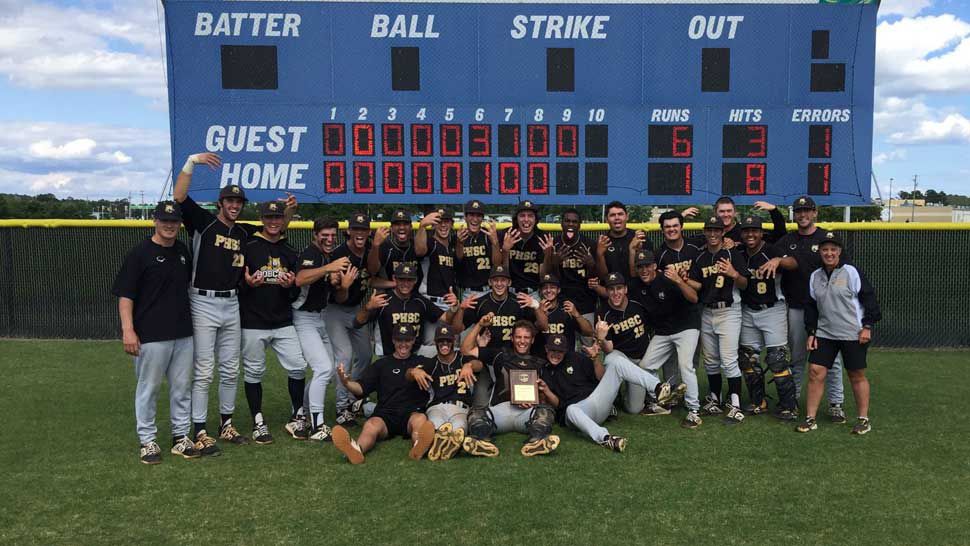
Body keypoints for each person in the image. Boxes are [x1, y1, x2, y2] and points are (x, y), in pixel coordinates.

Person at [173, 152, 296, 454]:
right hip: (202, 301)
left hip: (232, 303)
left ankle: (225, 423)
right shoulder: (203, 222)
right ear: (220, 203)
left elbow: (276, 231)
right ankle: (199, 429)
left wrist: (289, 211)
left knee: (230, 369)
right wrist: (191, 162)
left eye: (238, 202)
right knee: (204, 370)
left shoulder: (243, 233)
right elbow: (178, 196)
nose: (233, 205)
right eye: (229, 201)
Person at [113, 201, 200, 463]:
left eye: (174, 221)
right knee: (148, 388)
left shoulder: (183, 251)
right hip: (151, 334)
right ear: (155, 220)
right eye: (165, 220)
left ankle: (180, 437)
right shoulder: (140, 253)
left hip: (183, 333)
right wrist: (128, 330)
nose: (170, 225)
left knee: (182, 388)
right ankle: (148, 440)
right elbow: (125, 295)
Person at [761, 196, 847, 423]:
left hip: (827, 310)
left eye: (807, 210)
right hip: (797, 307)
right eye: (799, 211)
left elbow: (842, 272)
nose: (803, 215)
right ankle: (792, 401)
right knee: (797, 357)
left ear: (815, 212)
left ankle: (836, 404)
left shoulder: (826, 238)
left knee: (832, 360)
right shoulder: (787, 240)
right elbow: (766, 250)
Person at [239, 202, 309, 444]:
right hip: (253, 321)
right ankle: (258, 420)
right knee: (254, 371)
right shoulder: (248, 246)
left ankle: (297, 414)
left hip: (282, 320)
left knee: (298, 366)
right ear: (261, 218)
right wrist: (247, 284)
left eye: (277, 217)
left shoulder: (289, 250)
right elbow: (237, 283)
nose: (273, 221)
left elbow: (294, 293)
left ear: (283, 219)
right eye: (269, 216)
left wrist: (290, 286)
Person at [797, 235, 881, 435]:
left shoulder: (851, 271)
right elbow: (810, 307)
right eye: (825, 249)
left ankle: (863, 419)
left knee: (856, 374)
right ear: (820, 252)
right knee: (815, 371)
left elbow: (869, 298)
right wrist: (811, 332)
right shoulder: (815, 275)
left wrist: (867, 326)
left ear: (839, 251)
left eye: (833, 249)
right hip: (825, 332)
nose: (829, 253)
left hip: (852, 332)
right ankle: (810, 418)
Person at [543, 334, 673, 452]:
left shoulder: (576, 358)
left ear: (565, 351)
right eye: (553, 350)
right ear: (546, 349)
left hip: (596, 401)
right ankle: (606, 439)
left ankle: (658, 388)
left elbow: (601, 378)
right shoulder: (544, 371)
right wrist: (547, 391)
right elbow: (558, 404)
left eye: (559, 351)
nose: (556, 354)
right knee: (571, 410)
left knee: (616, 361)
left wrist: (595, 359)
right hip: (576, 414)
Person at [331, 325, 436, 464]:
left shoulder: (422, 362)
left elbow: (441, 364)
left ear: (413, 340)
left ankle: (419, 446)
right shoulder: (381, 365)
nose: (403, 344)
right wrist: (347, 383)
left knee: (420, 420)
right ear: (393, 340)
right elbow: (361, 389)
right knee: (371, 425)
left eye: (407, 340)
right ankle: (357, 449)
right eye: (399, 340)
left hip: (411, 413)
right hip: (386, 414)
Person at [459, 317, 560, 457]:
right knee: (476, 414)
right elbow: (465, 350)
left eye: (526, 337)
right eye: (518, 337)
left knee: (545, 413)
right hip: (502, 410)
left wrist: (546, 391)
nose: (522, 341)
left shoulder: (541, 364)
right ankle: (482, 442)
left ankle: (537, 441)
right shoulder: (500, 355)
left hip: (527, 414)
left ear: (532, 340)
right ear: (512, 338)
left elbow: (556, 403)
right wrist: (480, 324)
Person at [293, 217, 353, 441]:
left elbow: (338, 295)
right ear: (315, 235)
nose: (329, 239)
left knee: (326, 372)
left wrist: (342, 285)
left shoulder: (326, 257)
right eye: (324, 235)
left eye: (332, 235)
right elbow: (300, 279)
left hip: (320, 317)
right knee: (323, 368)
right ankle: (318, 425)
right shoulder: (311, 253)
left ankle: (303, 414)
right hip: (303, 317)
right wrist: (329, 268)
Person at [627, 251, 703, 428]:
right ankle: (663, 401)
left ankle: (694, 411)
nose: (644, 270)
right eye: (640, 266)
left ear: (655, 266)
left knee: (685, 366)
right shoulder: (637, 286)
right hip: (663, 331)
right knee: (646, 366)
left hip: (686, 326)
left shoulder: (668, 278)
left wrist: (678, 280)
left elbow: (694, 297)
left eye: (647, 265)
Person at [686, 216, 750, 424]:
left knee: (729, 359)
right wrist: (684, 280)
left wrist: (733, 273)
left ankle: (735, 404)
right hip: (707, 311)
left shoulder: (732, 253)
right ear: (705, 232)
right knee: (711, 360)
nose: (713, 234)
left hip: (729, 311)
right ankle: (715, 398)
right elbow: (698, 285)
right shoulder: (701, 256)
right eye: (709, 230)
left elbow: (745, 284)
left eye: (716, 230)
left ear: (723, 232)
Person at [736, 215, 797, 419]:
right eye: (746, 230)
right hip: (747, 310)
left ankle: (789, 406)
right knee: (747, 360)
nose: (750, 234)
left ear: (762, 233)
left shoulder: (771, 249)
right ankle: (758, 402)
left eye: (754, 230)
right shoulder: (739, 252)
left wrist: (779, 259)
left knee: (777, 359)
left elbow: (793, 263)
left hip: (772, 309)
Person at [594, 272, 672, 416]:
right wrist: (602, 338)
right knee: (611, 359)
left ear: (625, 289)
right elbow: (609, 348)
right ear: (607, 291)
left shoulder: (638, 304)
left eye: (619, 288)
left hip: (642, 361)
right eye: (611, 289)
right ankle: (610, 402)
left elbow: (654, 325)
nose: (616, 293)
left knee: (634, 409)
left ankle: (632, 394)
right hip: (622, 358)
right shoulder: (603, 313)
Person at [354, 263, 459, 358]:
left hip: (415, 355)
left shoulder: (420, 301)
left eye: (409, 280)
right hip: (387, 356)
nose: (406, 283)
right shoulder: (383, 300)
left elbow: (445, 318)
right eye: (402, 279)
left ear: (415, 280)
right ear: (395, 279)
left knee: (441, 353)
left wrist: (454, 307)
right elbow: (357, 322)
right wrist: (367, 308)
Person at [327, 212, 373, 427]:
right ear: (349, 231)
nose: (360, 233)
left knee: (365, 354)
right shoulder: (340, 254)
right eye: (356, 229)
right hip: (336, 309)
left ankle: (354, 398)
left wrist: (393, 284)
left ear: (368, 232)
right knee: (344, 356)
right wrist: (344, 286)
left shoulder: (370, 249)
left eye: (363, 229)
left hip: (357, 308)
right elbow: (338, 295)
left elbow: (371, 278)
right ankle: (341, 407)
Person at [408, 325, 479, 461]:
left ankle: (440, 445)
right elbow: (408, 375)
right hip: (437, 407)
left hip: (460, 408)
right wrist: (413, 371)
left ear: (454, 341)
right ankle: (440, 444)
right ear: (435, 342)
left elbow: (479, 364)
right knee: (435, 426)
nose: (444, 344)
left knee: (459, 428)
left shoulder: (463, 358)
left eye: (448, 340)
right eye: (441, 341)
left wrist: (469, 365)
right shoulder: (431, 363)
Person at [540, 208, 598, 330]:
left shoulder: (590, 244)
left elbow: (596, 278)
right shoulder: (554, 244)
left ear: (579, 225)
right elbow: (546, 278)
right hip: (561, 302)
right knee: (562, 341)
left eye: (574, 221)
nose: (571, 224)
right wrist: (555, 263)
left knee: (588, 341)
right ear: (561, 223)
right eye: (567, 221)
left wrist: (591, 265)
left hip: (585, 302)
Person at [533, 273, 594, 355]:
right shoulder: (534, 308)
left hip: (566, 357)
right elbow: (531, 334)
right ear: (540, 291)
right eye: (545, 288)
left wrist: (576, 314)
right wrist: (541, 314)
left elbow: (589, 332)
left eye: (552, 287)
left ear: (559, 290)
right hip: (541, 357)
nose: (548, 290)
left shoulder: (566, 309)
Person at [498, 200, 550, 294]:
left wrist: (547, 256)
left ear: (536, 219)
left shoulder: (543, 238)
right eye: (522, 215)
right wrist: (505, 251)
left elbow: (543, 277)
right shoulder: (505, 235)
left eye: (530, 215)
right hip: (509, 291)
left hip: (533, 292)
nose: (526, 219)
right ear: (516, 219)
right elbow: (501, 272)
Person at [455, 199, 502, 299]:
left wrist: (495, 243)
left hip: (489, 290)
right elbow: (458, 259)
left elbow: (497, 264)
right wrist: (459, 243)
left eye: (478, 215)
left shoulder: (488, 235)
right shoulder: (460, 235)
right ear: (465, 217)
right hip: (468, 292)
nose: (475, 219)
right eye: (471, 215)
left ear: (482, 218)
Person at [369, 208, 424, 287]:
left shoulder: (417, 246)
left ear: (411, 227)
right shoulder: (385, 247)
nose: (401, 227)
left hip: (415, 295)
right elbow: (372, 274)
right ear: (391, 228)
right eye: (397, 224)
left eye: (405, 224)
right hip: (391, 294)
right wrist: (375, 246)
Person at [595, 201, 651, 280]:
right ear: (606, 219)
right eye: (612, 215)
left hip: (637, 289)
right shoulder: (603, 242)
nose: (617, 218)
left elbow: (647, 273)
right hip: (613, 289)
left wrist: (636, 251)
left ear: (627, 217)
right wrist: (599, 255)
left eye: (620, 214)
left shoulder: (640, 239)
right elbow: (603, 278)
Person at [415, 208, 458, 306]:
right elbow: (419, 251)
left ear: (451, 224)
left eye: (446, 222)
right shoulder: (430, 243)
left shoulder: (452, 246)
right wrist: (422, 226)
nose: (443, 225)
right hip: (430, 300)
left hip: (450, 301)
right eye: (439, 222)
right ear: (433, 225)